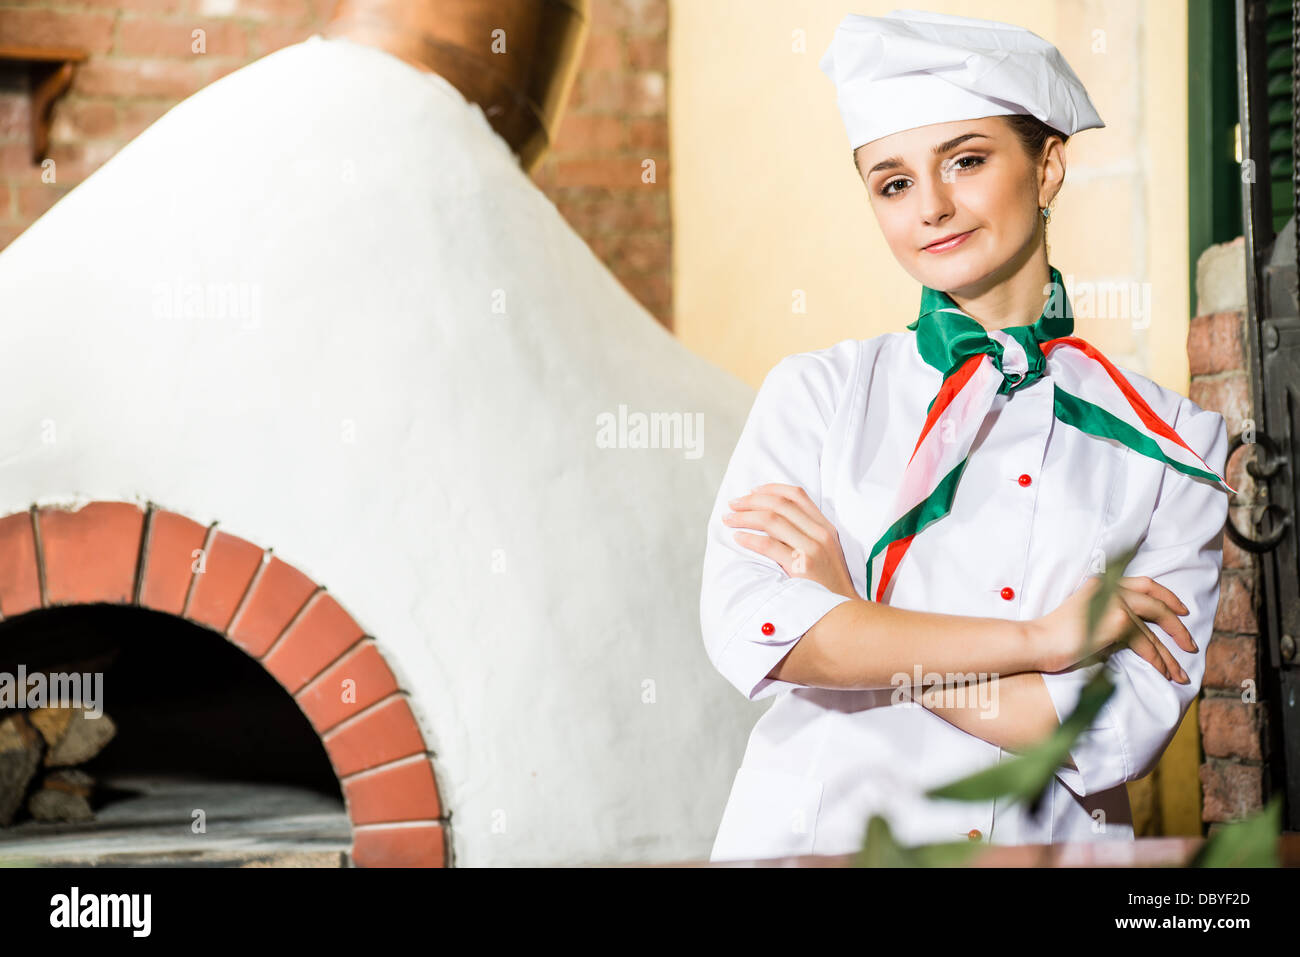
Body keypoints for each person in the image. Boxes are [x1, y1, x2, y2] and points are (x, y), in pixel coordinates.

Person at [698, 8, 1234, 861]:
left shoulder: (1177, 448)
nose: (933, 207)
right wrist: (1041, 644)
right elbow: (756, 631)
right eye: (894, 182)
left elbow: (1113, 733)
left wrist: (860, 619)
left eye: (968, 160)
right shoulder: (816, 394)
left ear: (1048, 165)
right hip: (815, 846)